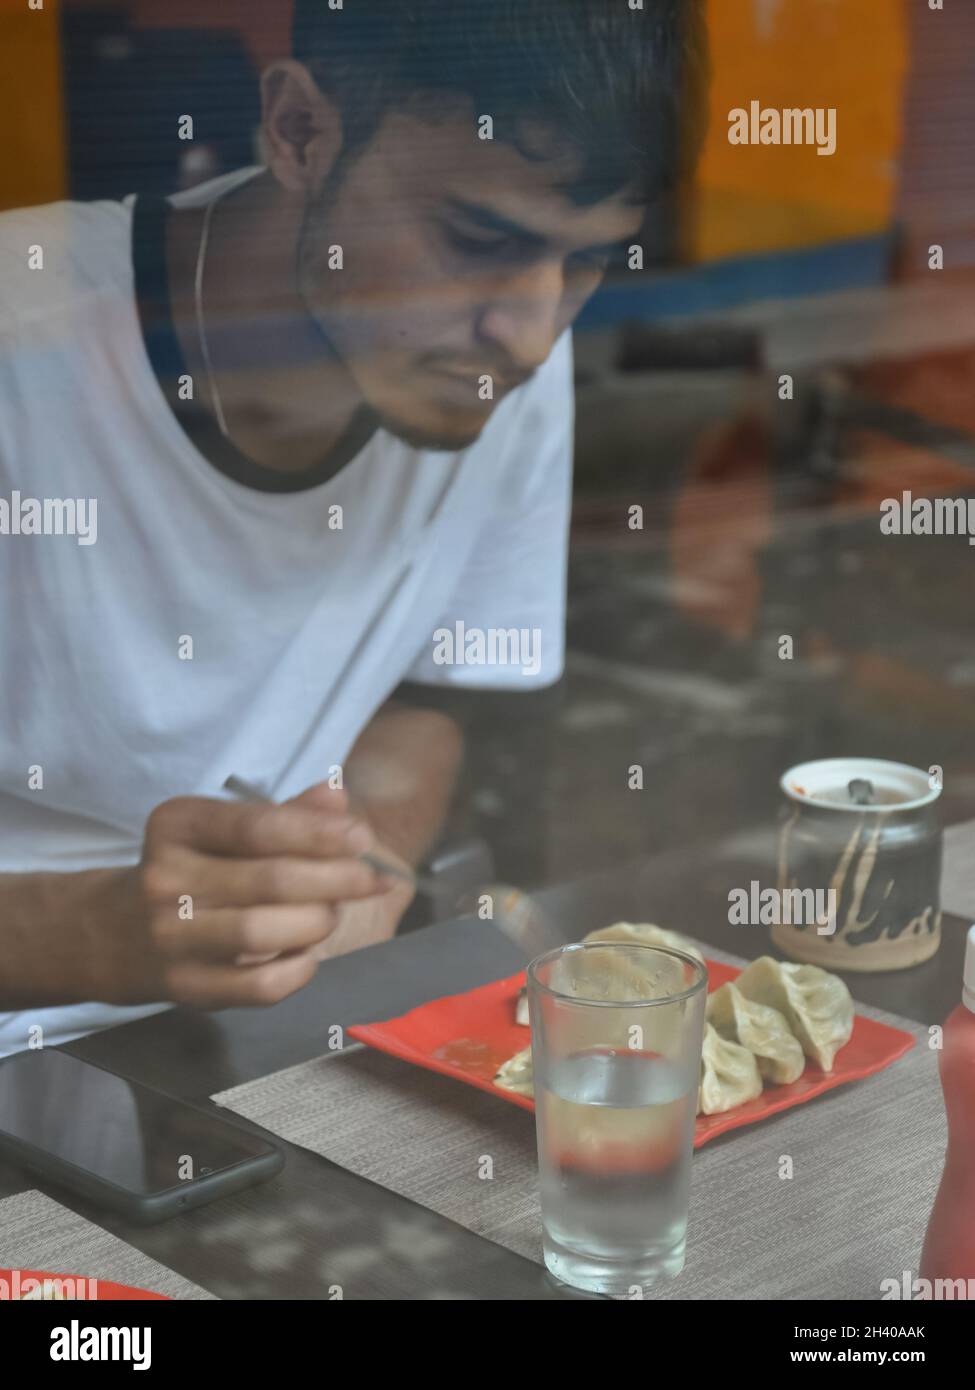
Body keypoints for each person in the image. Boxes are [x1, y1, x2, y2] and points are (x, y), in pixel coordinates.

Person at [0, 0, 708, 1054]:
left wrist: (362, 862)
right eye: (476, 236)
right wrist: (93, 932)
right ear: (298, 132)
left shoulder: (504, 355)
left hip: (261, 1042)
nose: (525, 330)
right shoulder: (25, 348)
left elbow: (438, 685)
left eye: (589, 261)